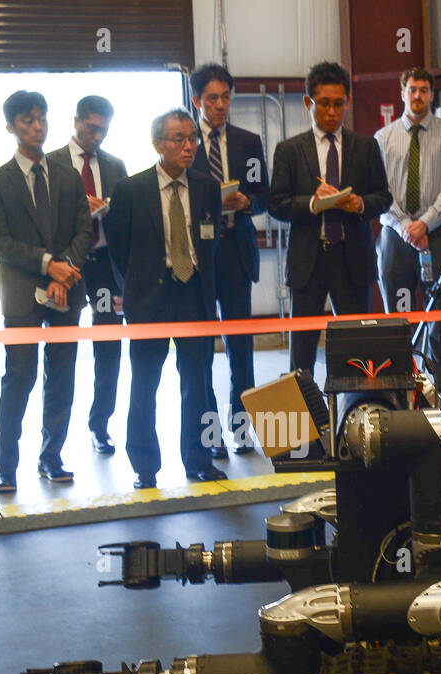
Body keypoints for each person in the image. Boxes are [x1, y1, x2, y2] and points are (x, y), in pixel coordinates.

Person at [105, 109, 224, 488]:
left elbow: (212, 239)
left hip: (194, 296)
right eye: (179, 139)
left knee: (198, 384)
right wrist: (135, 287)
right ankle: (144, 466)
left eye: (193, 138)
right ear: (158, 144)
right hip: (150, 299)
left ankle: (199, 460)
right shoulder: (130, 190)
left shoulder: (206, 186)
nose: (189, 146)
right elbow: (118, 250)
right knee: (144, 385)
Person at [0, 90, 92, 491]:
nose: (38, 125)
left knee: (61, 376)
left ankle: (51, 457)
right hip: (21, 291)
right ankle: (6, 467)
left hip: (68, 287)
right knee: (19, 377)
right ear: (11, 127)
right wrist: (50, 267)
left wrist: (64, 273)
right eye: (28, 119)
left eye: (42, 117)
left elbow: (84, 229)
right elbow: (1, 242)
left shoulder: (66, 174)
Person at [269, 61, 391, 374]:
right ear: (308, 102)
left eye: (339, 104)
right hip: (308, 259)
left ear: (347, 102)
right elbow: (277, 204)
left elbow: (384, 197)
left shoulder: (365, 146)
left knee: (357, 349)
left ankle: (355, 415)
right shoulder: (289, 150)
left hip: (353, 258)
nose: (332, 112)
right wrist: (312, 204)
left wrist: (360, 204)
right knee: (303, 351)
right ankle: (306, 417)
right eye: (324, 104)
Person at [189, 62, 269, 457]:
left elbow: (265, 194)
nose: (220, 106)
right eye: (212, 99)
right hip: (199, 258)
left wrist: (247, 201)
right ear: (196, 101)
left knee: (241, 347)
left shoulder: (247, 142)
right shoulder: (183, 142)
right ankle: (211, 436)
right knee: (202, 350)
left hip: (237, 252)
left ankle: (242, 429)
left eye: (225, 97)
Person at [375, 67, 441, 411]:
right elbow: (379, 192)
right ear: (403, 93)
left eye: (424, 90)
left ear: (432, 95)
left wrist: (425, 224)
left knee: (439, 316)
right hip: (394, 236)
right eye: (412, 89)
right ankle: (400, 385)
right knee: (398, 315)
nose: (418, 96)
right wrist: (405, 228)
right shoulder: (382, 139)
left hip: (438, 234)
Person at [49, 95, 128, 456]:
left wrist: (108, 211)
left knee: (108, 347)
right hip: (67, 265)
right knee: (61, 352)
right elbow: (45, 222)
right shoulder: (50, 163)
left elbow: (130, 221)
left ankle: (100, 425)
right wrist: (82, 212)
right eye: (92, 128)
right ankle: (53, 442)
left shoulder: (115, 164)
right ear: (77, 120)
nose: (97, 136)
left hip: (105, 266)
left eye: (104, 130)